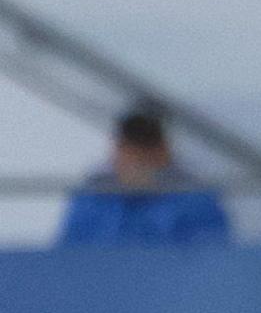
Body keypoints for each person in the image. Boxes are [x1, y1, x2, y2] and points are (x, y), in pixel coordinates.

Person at [57, 105, 228, 246]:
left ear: (164, 150)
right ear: (116, 150)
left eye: (147, 146)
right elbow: (69, 257)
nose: (138, 156)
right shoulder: (91, 197)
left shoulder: (196, 198)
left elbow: (212, 257)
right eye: (130, 146)